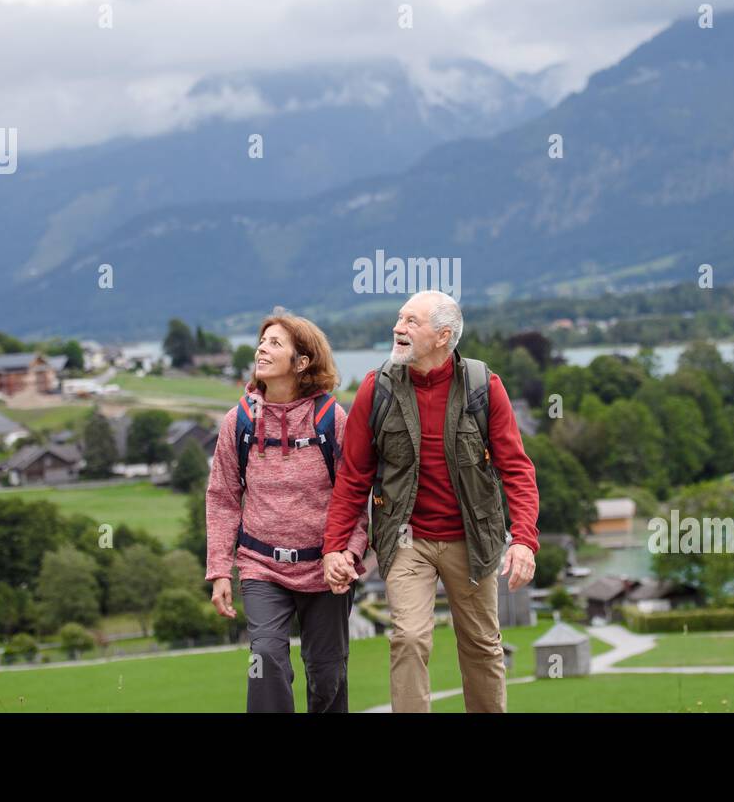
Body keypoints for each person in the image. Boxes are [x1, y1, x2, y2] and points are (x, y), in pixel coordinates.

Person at [322, 289, 539, 712]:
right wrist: (334, 547)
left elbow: (517, 469)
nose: (397, 328)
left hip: (473, 540)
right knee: (408, 638)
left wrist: (524, 540)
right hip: (406, 540)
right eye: (399, 319)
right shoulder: (377, 388)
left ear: (442, 336)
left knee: (481, 645)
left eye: (410, 322)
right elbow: (353, 477)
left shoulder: (483, 387)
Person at [205, 312, 367, 712]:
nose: (262, 348)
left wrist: (349, 553)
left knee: (327, 674)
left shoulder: (332, 419)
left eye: (276, 343)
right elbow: (222, 497)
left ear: (302, 361)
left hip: (325, 568)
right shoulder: (238, 421)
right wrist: (220, 570)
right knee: (267, 659)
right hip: (262, 566)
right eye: (263, 341)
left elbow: (357, 493)